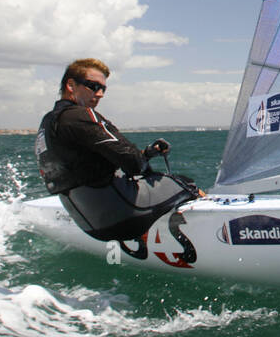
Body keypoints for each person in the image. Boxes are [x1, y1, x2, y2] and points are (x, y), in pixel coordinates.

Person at [35, 58, 201, 249]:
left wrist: (147, 153)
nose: (100, 94)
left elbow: (84, 165)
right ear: (71, 85)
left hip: (90, 225)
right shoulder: (81, 116)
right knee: (184, 183)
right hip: (124, 218)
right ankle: (205, 234)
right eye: (93, 86)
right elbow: (132, 163)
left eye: (103, 89)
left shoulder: (47, 124)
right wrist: (141, 161)